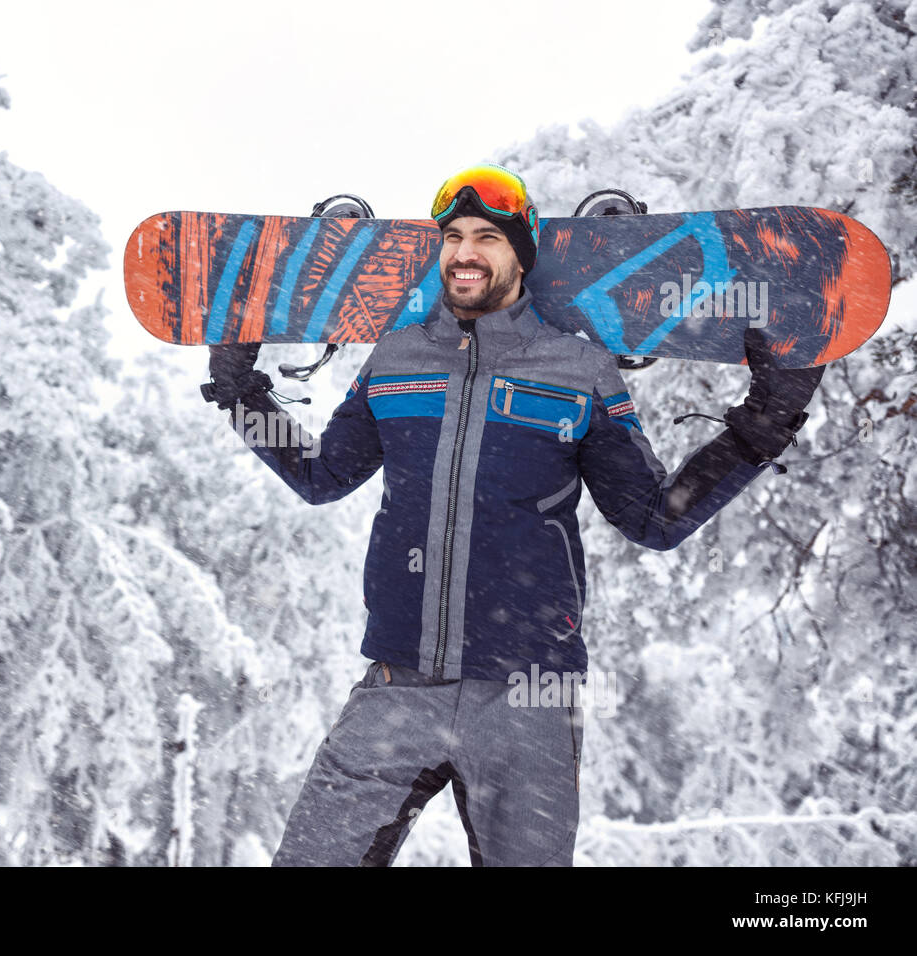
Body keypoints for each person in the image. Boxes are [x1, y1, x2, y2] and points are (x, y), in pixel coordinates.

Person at [203, 163, 824, 867]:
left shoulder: (578, 369)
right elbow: (322, 477)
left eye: (488, 239)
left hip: (530, 698)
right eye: (454, 237)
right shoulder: (398, 358)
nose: (465, 252)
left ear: (521, 255)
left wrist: (762, 427)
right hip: (397, 688)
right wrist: (240, 396)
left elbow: (654, 517)